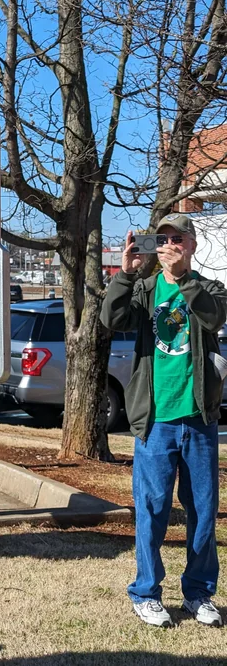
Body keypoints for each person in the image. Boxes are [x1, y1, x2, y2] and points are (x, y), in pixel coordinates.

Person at [101, 214, 227, 628]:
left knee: (203, 512)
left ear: (191, 244)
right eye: (164, 238)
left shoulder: (209, 287)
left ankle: (198, 592)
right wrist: (124, 272)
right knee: (152, 511)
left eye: (178, 238)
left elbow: (212, 319)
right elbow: (111, 318)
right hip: (154, 422)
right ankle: (146, 592)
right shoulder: (144, 290)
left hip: (199, 421)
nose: (170, 244)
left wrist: (183, 278)